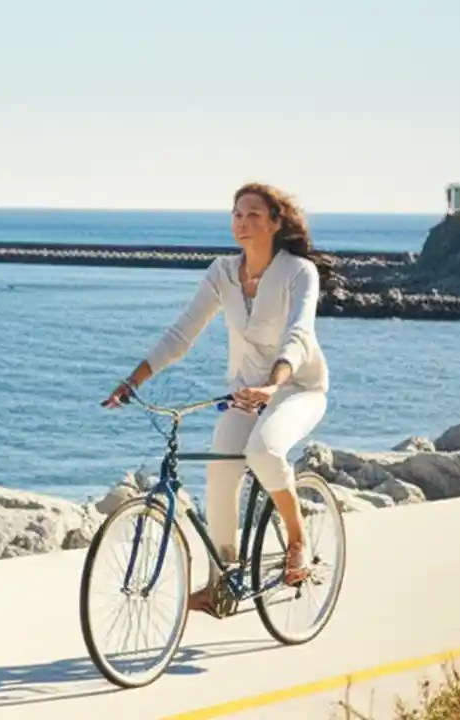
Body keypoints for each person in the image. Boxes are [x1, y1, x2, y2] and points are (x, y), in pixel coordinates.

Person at [101, 182, 332, 617]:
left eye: (254, 215)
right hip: (245, 396)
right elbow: (181, 333)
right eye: (237, 214)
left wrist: (274, 384)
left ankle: (297, 539)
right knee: (218, 478)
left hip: (297, 389)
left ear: (276, 223)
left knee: (264, 451)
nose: (243, 223)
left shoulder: (299, 272)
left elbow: (300, 335)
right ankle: (221, 580)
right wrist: (133, 381)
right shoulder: (222, 272)